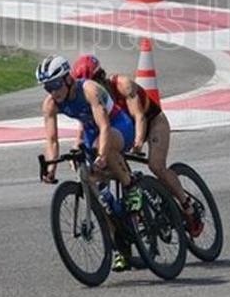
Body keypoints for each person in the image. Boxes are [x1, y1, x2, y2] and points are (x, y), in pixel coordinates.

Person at [70, 55, 203, 237]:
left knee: (156, 165)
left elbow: (139, 115)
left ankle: (188, 205)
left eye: (95, 84)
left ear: (101, 77)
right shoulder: (93, 98)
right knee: (116, 168)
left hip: (152, 123)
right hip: (124, 132)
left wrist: (139, 142)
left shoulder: (123, 84)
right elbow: (84, 126)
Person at [36, 55, 141, 272]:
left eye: (55, 85)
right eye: (47, 87)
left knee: (100, 149)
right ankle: (119, 242)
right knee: (94, 190)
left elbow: (104, 127)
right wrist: (51, 167)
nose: (53, 92)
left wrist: (102, 155)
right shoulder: (50, 104)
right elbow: (52, 140)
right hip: (93, 135)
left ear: (67, 80)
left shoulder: (89, 90)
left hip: (119, 127)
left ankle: (130, 185)